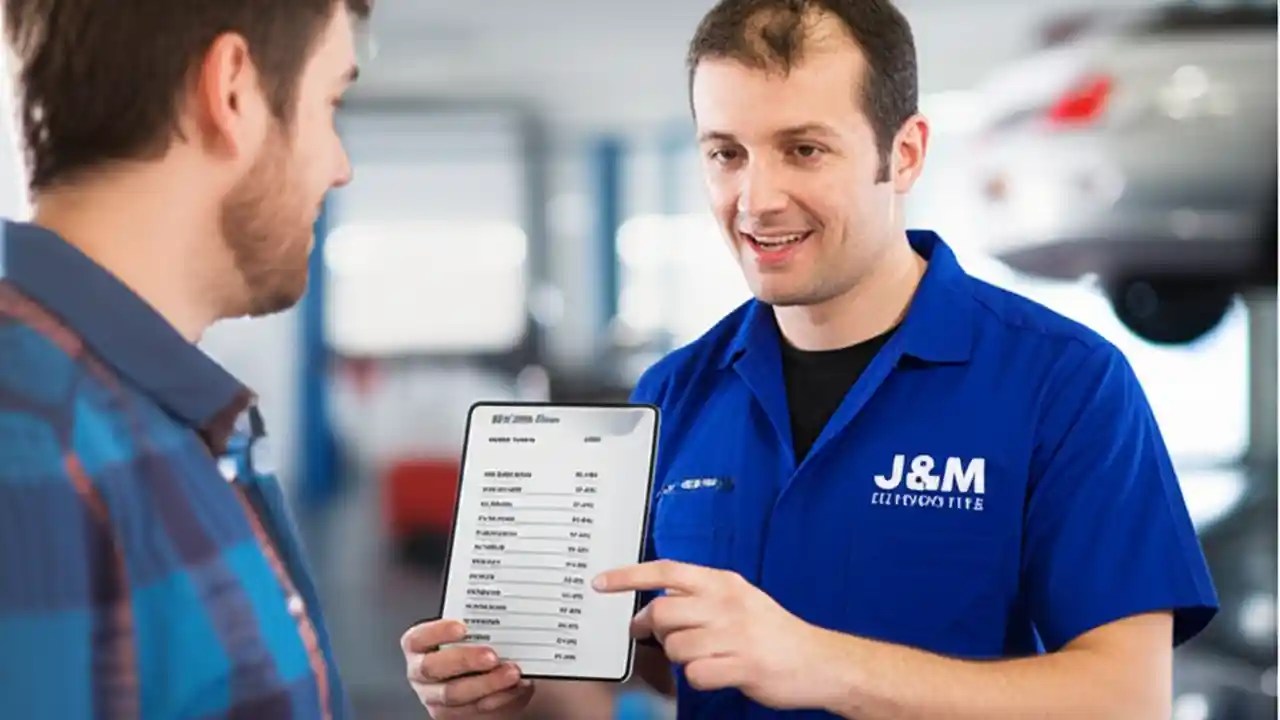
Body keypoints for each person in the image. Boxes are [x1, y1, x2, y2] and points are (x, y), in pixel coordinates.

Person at [400, 0, 1219, 717]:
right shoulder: (676, 392)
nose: (756, 200)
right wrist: (498, 693)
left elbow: (1125, 699)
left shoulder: (1063, 383)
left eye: (804, 149)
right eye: (727, 153)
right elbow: (657, 676)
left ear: (903, 154)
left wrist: (823, 665)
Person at [0, 0, 369, 717]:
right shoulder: (35, 438)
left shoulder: (148, 414)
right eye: (329, 106)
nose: (339, 166)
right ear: (231, 90)